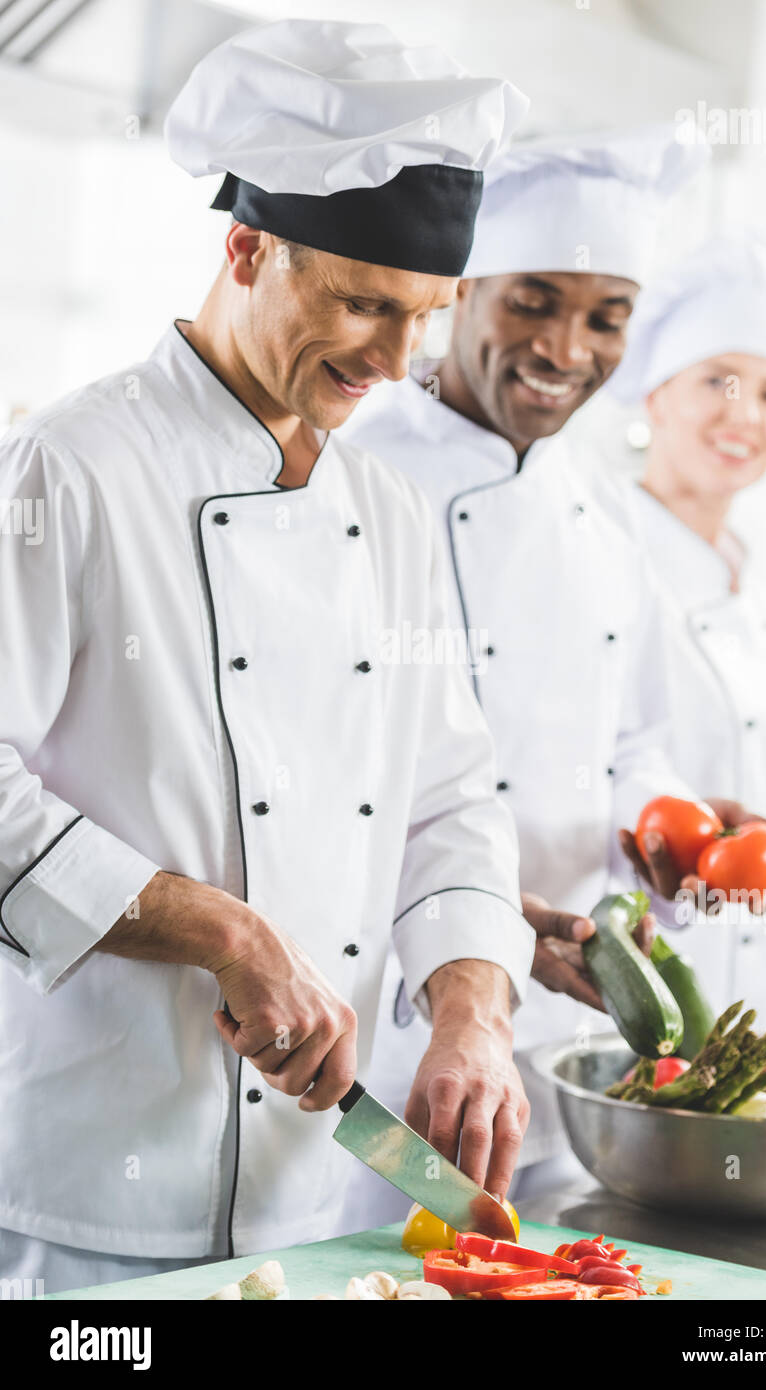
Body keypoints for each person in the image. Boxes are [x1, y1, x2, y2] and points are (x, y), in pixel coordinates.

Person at [0, 19, 542, 1294]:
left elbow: (453, 800)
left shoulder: (393, 516)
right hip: (92, 1205)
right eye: (360, 302)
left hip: (325, 1201)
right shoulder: (69, 469)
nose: (394, 365)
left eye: (426, 317)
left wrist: (472, 1006)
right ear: (244, 245)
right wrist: (221, 928)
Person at [339, 131, 741, 1225]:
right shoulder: (352, 473)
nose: (566, 346)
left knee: (543, 1261)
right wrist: (476, 937)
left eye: (607, 316)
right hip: (387, 1021)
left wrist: (669, 833)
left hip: (570, 1019)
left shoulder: (606, 510)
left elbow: (634, 739)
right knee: (386, 1265)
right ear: (463, 291)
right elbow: (335, 772)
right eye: (535, 301)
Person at [606, 230, 766, 1030]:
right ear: (656, 394)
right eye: (717, 381)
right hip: (647, 1002)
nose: (744, 415)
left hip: (759, 1007)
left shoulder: (748, 581)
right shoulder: (608, 551)